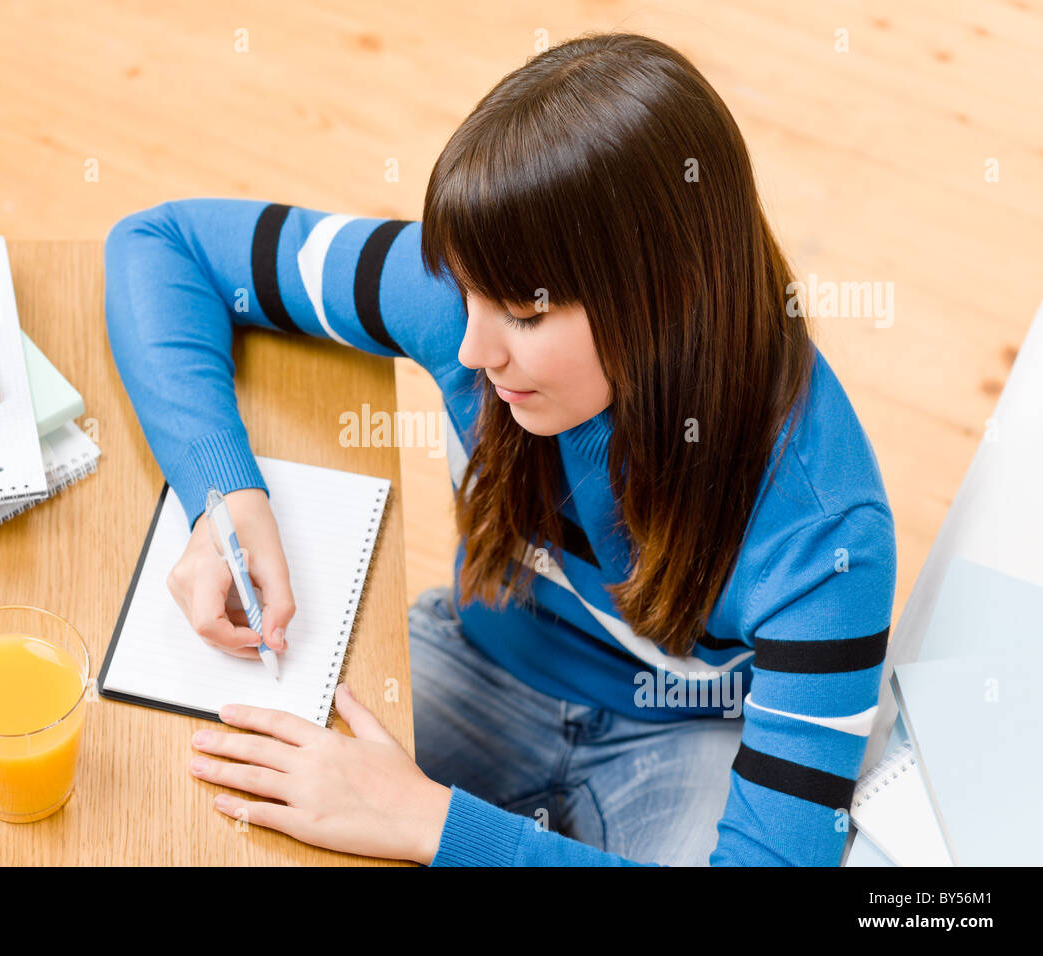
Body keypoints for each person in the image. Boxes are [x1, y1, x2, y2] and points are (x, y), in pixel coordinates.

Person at [103, 31, 896, 866]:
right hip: (475, 662)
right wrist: (225, 493)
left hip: (687, 746)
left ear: (665, 301)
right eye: (470, 291)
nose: (473, 347)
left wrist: (430, 824)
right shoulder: (465, 303)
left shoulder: (829, 537)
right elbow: (163, 245)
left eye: (522, 311)